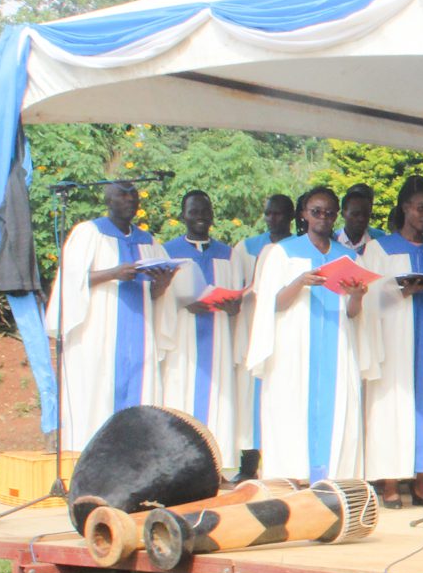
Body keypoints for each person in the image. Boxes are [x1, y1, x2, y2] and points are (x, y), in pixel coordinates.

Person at [247, 186, 377, 482]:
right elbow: (272, 304)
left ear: (336, 216)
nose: (323, 217)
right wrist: (300, 282)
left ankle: (333, 480)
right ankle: (290, 479)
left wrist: (357, 295)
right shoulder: (282, 253)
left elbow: (353, 314)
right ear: (304, 214)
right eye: (316, 211)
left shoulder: (349, 257)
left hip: (337, 344)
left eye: (329, 213)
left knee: (336, 414)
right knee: (291, 410)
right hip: (294, 348)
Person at [46, 182, 175, 450]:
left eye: (134, 195)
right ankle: (88, 457)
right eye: (122, 194)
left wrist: (162, 284)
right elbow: (70, 281)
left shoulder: (148, 241)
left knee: (140, 400)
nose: (130, 200)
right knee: (97, 396)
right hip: (98, 334)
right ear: (108, 200)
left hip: (140, 336)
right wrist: (113, 273)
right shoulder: (89, 233)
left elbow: (154, 295)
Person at [361, 185, 423, 509]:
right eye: (417, 208)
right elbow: (368, 294)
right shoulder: (379, 249)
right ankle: (388, 479)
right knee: (392, 400)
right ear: (403, 208)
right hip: (394, 332)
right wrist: (400, 291)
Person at [160, 190, 246, 471]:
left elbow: (236, 301)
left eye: (204, 211)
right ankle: (180, 465)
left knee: (219, 398)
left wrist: (232, 307)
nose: (200, 217)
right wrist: (184, 306)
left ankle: (218, 467)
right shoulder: (168, 252)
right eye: (193, 211)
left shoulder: (228, 255)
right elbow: (159, 298)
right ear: (183, 215)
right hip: (183, 337)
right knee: (180, 392)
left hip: (219, 335)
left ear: (212, 215)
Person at [235, 192, 294, 476]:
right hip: (254, 329)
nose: (272, 219)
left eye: (279, 214)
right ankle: (248, 464)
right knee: (250, 400)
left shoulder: (296, 249)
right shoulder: (246, 248)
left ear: (292, 217)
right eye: (268, 213)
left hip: (287, 334)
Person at [337, 184, 376, 253]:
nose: (361, 219)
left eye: (366, 214)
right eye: (355, 214)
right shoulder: (331, 241)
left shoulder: (381, 241)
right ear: (343, 214)